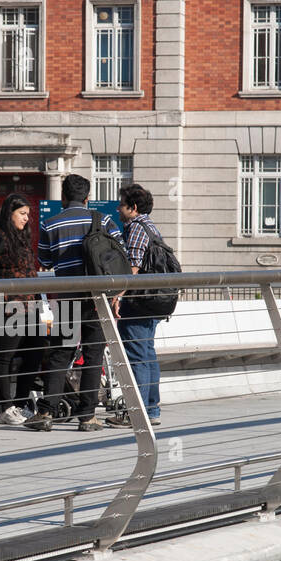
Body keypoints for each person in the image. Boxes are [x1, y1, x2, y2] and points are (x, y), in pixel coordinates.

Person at [23, 172, 123, 433]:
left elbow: (45, 260)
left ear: (63, 197)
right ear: (88, 197)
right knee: (93, 354)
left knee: (60, 354)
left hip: (67, 295)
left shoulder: (51, 223)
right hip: (97, 296)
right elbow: (118, 254)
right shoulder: (105, 220)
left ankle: (46, 412)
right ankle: (88, 417)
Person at [0, 194, 45, 425]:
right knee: (5, 357)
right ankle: (6, 408)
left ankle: (21, 405)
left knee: (35, 353)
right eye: (22, 214)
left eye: (27, 215)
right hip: (8, 308)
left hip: (30, 307)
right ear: (9, 213)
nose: (26, 219)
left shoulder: (20, 237)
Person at [109, 183, 163, 426]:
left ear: (133, 208)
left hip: (139, 302)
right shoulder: (150, 226)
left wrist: (118, 296)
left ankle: (137, 413)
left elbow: (133, 268)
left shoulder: (137, 229)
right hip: (151, 301)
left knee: (137, 356)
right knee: (147, 354)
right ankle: (150, 410)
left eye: (121, 204)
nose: (118, 208)